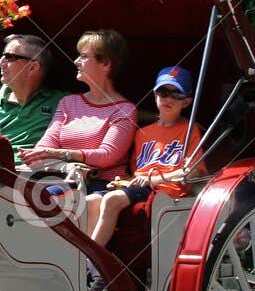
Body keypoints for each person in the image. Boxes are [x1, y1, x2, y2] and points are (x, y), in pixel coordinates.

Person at [20, 29, 137, 291]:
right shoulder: (68, 103)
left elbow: (107, 155)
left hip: (102, 184)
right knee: (27, 199)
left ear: (106, 63)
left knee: (61, 200)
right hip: (63, 179)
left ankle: (94, 274)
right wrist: (49, 154)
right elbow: (45, 145)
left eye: (84, 56)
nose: (76, 61)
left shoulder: (124, 110)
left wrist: (59, 154)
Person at [85, 66, 206, 246]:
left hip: (165, 191)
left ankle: (91, 260)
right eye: (163, 92)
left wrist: (154, 180)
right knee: (91, 200)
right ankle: (83, 265)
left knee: (111, 199)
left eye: (176, 94)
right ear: (155, 95)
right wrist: (123, 182)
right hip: (140, 187)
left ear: (186, 102)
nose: (168, 99)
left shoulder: (190, 131)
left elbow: (191, 172)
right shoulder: (142, 133)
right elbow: (138, 172)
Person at [0, 34, 66, 154]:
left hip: (39, 170)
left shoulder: (64, 103)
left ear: (33, 67)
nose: (0, 63)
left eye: (9, 57)